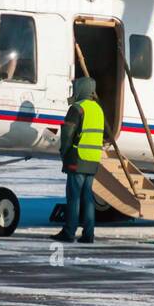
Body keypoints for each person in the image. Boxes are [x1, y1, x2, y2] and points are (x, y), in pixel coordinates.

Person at [53, 76, 104, 244]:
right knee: (88, 198)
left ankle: (69, 232)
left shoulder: (77, 108)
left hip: (78, 157)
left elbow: (68, 134)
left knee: (73, 197)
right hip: (93, 159)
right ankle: (88, 234)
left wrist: (64, 153)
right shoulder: (98, 109)